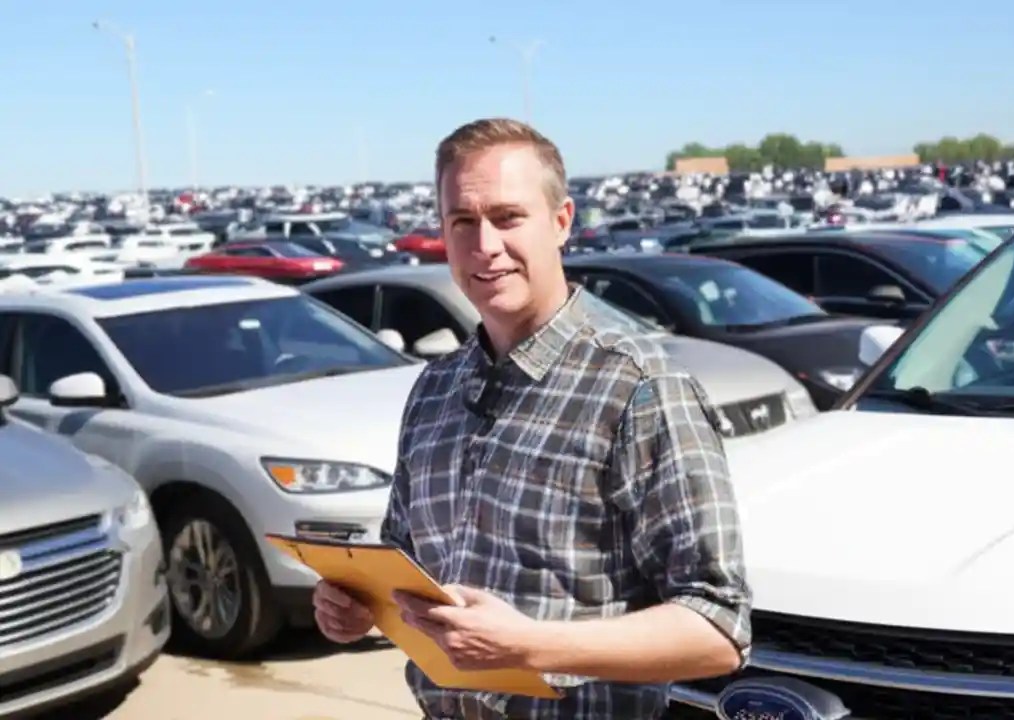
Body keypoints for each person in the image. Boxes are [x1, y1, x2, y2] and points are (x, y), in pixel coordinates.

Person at [311, 117, 752, 720]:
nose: (484, 246)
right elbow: (406, 567)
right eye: (462, 222)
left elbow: (718, 630)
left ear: (561, 221)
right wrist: (360, 607)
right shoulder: (435, 391)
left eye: (507, 217)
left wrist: (528, 644)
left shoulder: (639, 389)